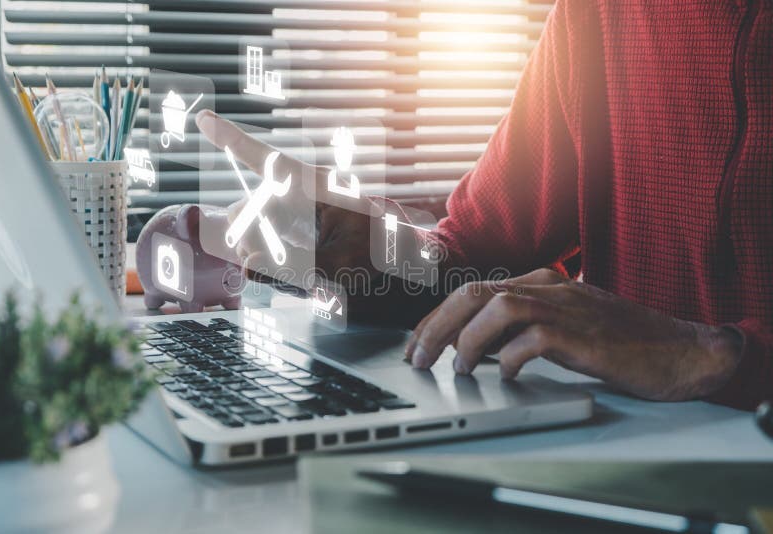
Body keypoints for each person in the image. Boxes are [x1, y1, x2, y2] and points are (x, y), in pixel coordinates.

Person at [196, 0, 772, 411]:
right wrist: (374, 251)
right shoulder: (594, 15)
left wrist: (705, 354)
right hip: (621, 459)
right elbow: (473, 253)